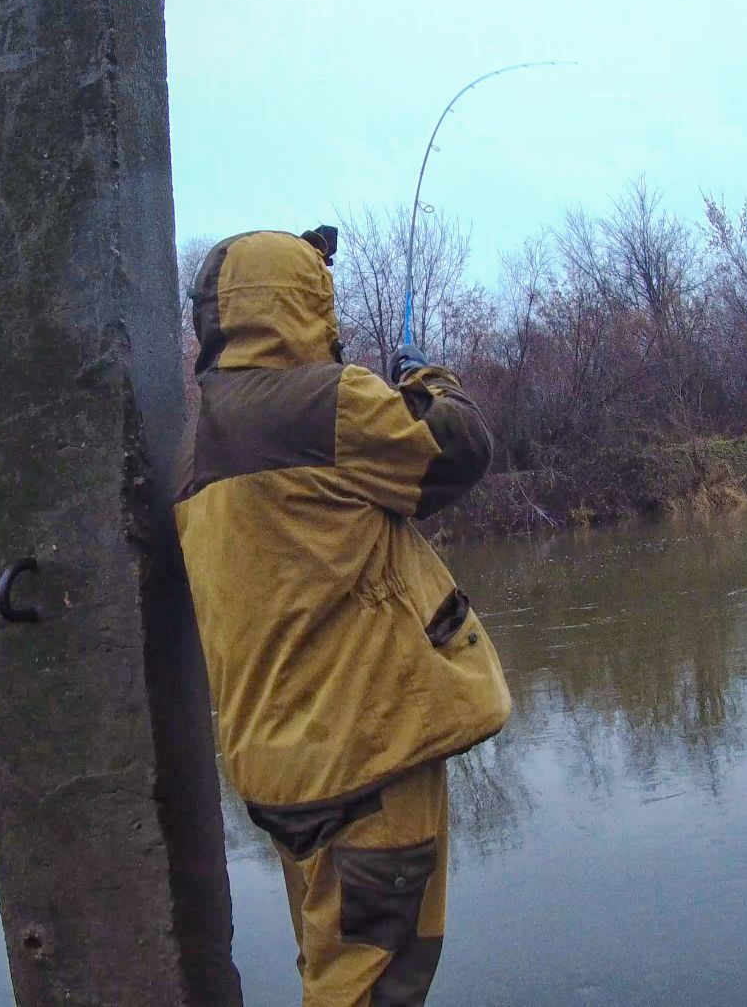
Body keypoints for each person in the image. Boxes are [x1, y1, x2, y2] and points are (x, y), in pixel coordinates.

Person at [174, 227, 511, 1006]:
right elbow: (458, 449)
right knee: (376, 983)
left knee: (330, 970)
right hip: (370, 755)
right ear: (302, 305)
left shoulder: (192, 451)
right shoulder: (326, 403)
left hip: (283, 773)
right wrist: (428, 376)